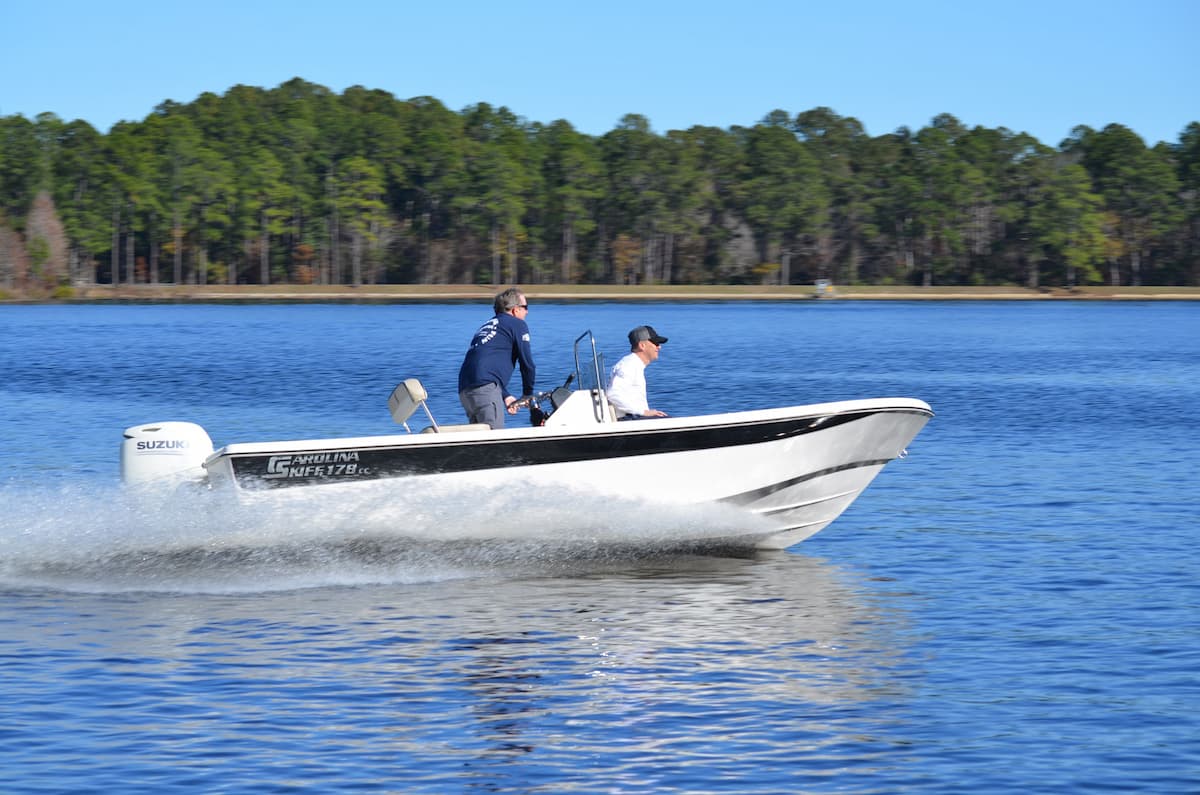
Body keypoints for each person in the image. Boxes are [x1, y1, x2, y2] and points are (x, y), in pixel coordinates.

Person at [457, 287, 536, 429]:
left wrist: (505, 395)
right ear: (515, 309)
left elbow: (486, 368)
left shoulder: (489, 325)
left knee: (479, 443)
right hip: (485, 390)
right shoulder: (517, 324)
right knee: (494, 442)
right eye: (525, 307)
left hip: (465, 389)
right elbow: (527, 365)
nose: (527, 312)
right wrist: (527, 395)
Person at [607, 325, 669, 420]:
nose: (659, 347)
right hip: (629, 419)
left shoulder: (635, 364)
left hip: (635, 417)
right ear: (642, 345)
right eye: (655, 343)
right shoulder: (629, 365)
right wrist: (644, 412)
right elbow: (613, 394)